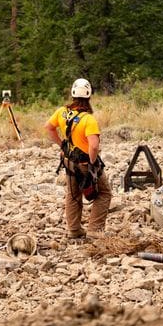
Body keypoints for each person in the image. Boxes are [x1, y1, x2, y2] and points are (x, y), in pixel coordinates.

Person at [45, 78, 112, 240]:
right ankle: (95, 229)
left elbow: (49, 127)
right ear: (89, 96)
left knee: (73, 194)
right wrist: (93, 162)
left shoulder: (62, 112)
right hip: (84, 162)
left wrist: (62, 145)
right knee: (104, 193)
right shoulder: (88, 119)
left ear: (73, 94)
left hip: (69, 160)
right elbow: (94, 146)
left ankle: (74, 230)